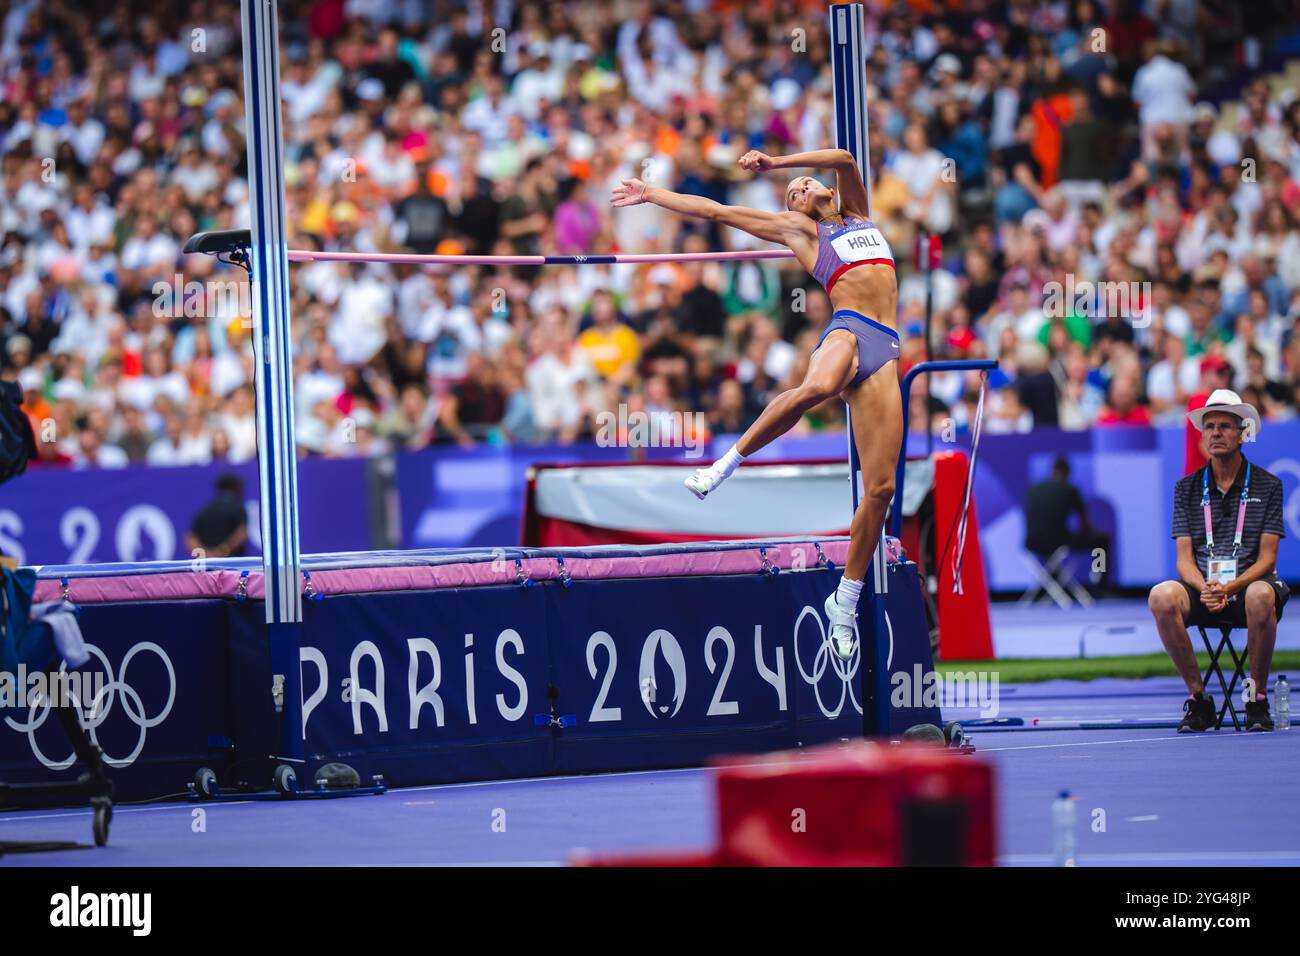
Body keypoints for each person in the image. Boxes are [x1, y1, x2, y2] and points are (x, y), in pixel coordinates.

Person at [611, 147, 899, 660]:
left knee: (880, 489)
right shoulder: (801, 232)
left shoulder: (856, 212)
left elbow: (846, 157)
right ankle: (725, 464)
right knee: (817, 387)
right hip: (849, 327)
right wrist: (653, 193)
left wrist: (777, 164)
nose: (798, 191)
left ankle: (845, 601)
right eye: (792, 195)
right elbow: (718, 212)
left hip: (886, 345)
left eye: (803, 185)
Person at [1147, 390, 1289, 733]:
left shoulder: (1268, 485)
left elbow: (1269, 558)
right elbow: (1183, 560)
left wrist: (1230, 586)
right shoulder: (1186, 488)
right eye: (1208, 427)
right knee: (1160, 596)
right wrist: (1207, 588)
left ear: (1242, 434)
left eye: (1225, 426)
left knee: (1258, 594)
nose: (1215, 433)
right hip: (1205, 587)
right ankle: (1199, 701)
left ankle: (1256, 699)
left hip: (1252, 586)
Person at [1023, 456, 1111, 592]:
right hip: (1059, 541)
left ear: (1052, 471)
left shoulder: (1034, 489)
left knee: (1056, 550)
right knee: (1101, 542)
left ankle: (1056, 581)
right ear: (1067, 473)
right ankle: (1099, 582)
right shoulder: (1070, 490)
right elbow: (1085, 525)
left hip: (1032, 543)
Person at [186, 473, 249, 559]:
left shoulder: (205, 509)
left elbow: (191, 538)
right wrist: (221, 551)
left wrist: (206, 554)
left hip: (208, 565)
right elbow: (241, 534)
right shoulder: (238, 507)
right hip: (232, 565)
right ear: (236, 487)